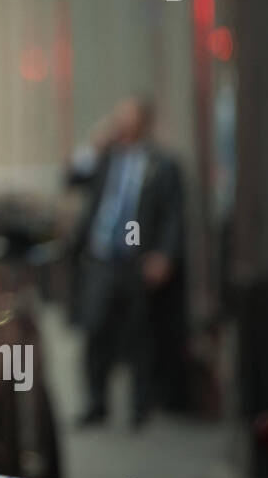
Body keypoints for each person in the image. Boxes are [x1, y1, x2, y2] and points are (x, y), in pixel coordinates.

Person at [66, 96, 186, 430]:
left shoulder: (161, 165)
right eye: (119, 115)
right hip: (102, 257)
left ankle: (139, 408)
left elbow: (173, 216)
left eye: (128, 116)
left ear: (143, 122)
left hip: (138, 261)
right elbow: (71, 178)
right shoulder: (104, 158)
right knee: (95, 330)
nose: (121, 121)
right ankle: (95, 403)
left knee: (139, 337)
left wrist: (164, 254)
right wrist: (93, 144)